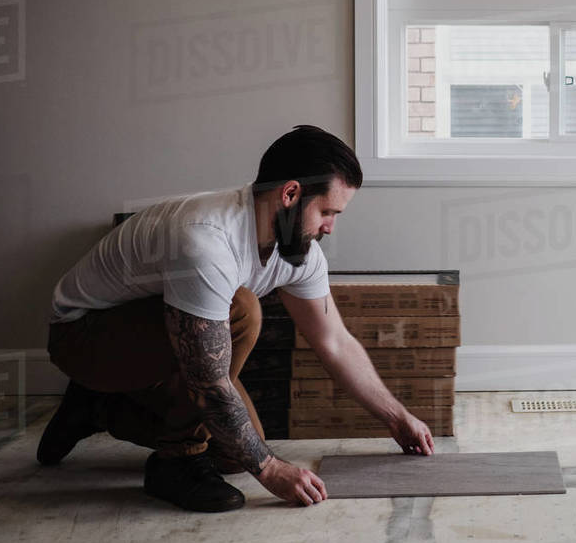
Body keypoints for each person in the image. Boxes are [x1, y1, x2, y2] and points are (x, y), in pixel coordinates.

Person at [37, 125, 435, 512]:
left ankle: (93, 409)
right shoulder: (207, 241)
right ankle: (173, 463)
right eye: (327, 211)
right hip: (83, 334)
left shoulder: (299, 251)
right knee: (242, 310)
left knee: (234, 454)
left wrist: (397, 419)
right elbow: (208, 382)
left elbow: (334, 341)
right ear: (291, 194)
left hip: (157, 334)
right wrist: (272, 470)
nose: (330, 226)